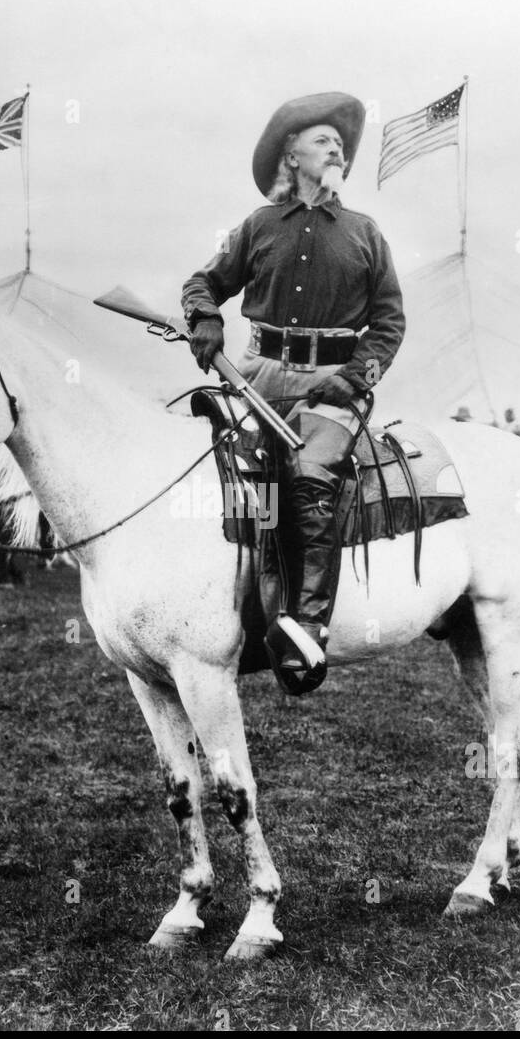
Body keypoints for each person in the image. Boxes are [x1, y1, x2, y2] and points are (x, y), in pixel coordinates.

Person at [182, 91, 405, 691]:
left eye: (340, 142)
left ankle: (304, 629)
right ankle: (209, 616)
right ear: (292, 154)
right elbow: (203, 282)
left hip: (333, 388)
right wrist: (206, 317)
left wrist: (353, 377)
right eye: (322, 138)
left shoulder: (365, 233)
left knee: (308, 480)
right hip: (255, 377)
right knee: (229, 476)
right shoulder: (256, 227)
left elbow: (388, 323)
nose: (335, 147)